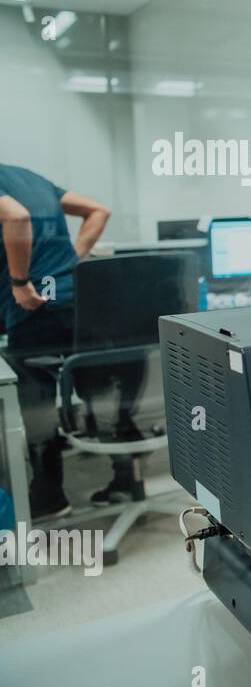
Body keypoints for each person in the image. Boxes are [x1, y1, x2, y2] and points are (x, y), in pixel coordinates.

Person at [0, 164, 111, 521]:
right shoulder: (29, 177)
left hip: (32, 307)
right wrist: (69, 262)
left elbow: (16, 218)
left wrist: (19, 280)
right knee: (99, 385)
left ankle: (49, 496)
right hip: (76, 299)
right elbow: (99, 210)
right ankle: (127, 478)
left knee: (37, 403)